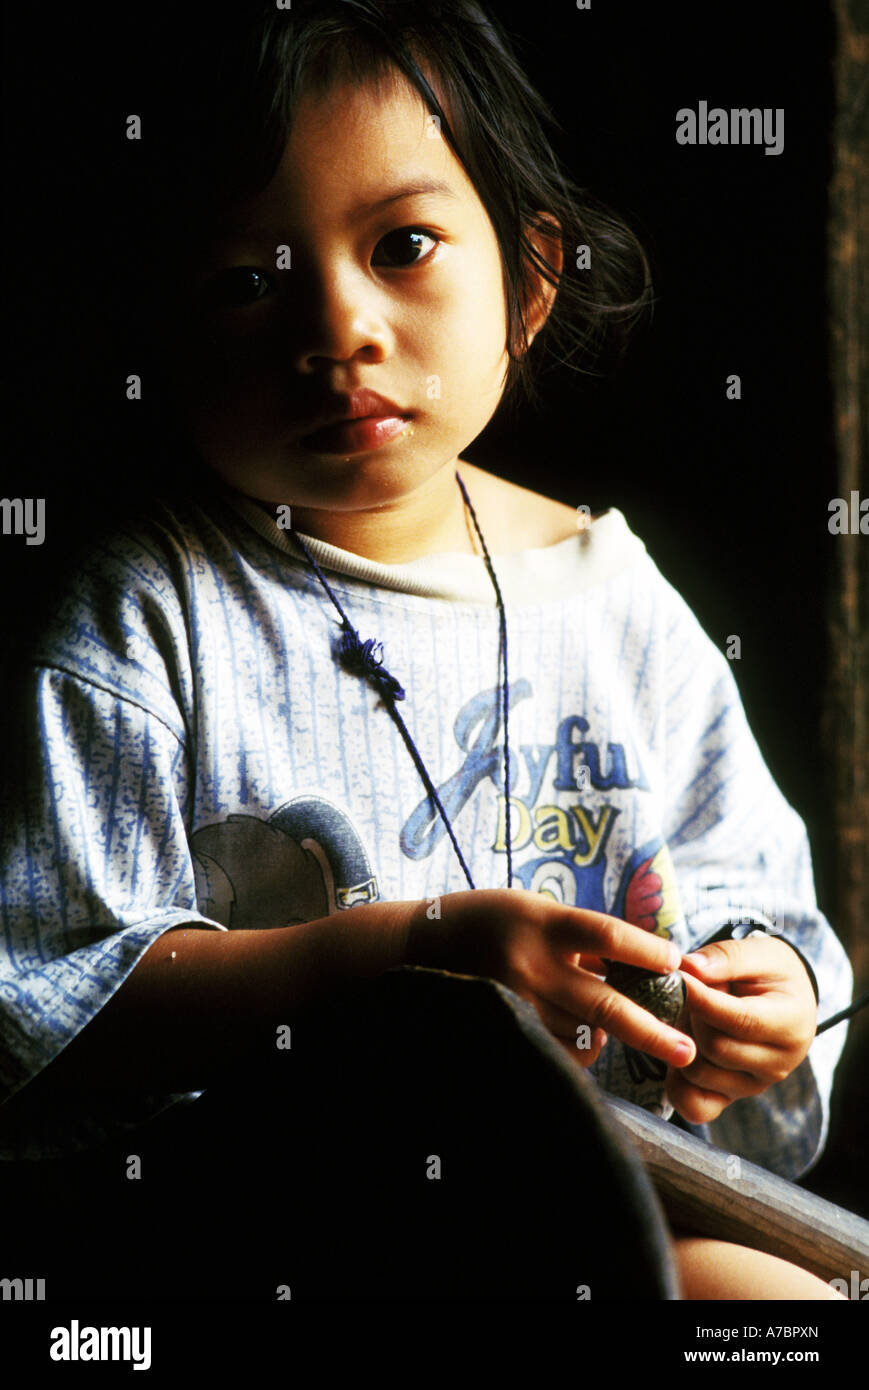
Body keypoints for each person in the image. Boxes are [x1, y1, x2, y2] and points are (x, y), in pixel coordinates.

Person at [0, 0, 851, 1300]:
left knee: (772, 1302)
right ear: (158, 331)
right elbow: (54, 988)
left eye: (401, 244)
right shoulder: (149, 609)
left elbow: (756, 891)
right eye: (244, 279)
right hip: (275, 1234)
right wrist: (404, 958)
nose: (336, 325)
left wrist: (761, 988)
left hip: (612, 1197)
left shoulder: (605, 596)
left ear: (527, 281)